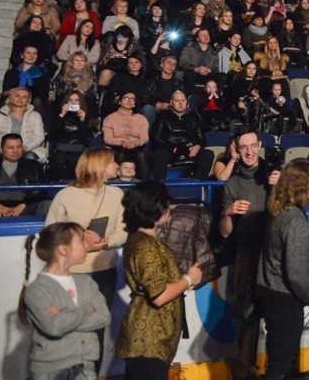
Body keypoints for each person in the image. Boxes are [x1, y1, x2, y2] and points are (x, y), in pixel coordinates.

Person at [45, 149, 127, 369]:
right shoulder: (65, 195)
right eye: (112, 162)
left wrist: (106, 241)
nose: (116, 166)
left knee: (95, 333)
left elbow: (124, 230)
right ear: (98, 166)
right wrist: (81, 243)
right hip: (70, 273)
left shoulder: (117, 194)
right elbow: (51, 232)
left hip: (104, 272)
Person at [116, 181, 203, 379]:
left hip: (153, 339)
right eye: (165, 204)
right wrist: (189, 279)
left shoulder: (142, 239)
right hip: (148, 340)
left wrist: (180, 283)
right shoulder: (145, 246)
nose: (169, 208)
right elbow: (159, 295)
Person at [257, 159, 309, 379]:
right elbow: (297, 276)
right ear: (303, 185)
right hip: (284, 302)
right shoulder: (295, 221)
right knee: (280, 368)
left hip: (272, 296)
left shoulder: (281, 209)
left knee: (279, 362)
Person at [219, 130, 281, 380]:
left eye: (252, 145)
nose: (249, 151)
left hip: (275, 255)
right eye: (243, 147)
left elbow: (292, 210)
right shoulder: (232, 184)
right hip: (246, 257)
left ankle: (277, 372)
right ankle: (244, 373)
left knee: (279, 317)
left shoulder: (274, 174)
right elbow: (224, 233)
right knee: (248, 318)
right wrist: (229, 213)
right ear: (236, 150)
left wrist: (279, 187)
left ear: (259, 145)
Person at [19, 222, 111, 380]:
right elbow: (54, 326)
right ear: (63, 250)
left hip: (85, 370)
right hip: (51, 373)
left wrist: (64, 317)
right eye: (82, 240)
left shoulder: (86, 283)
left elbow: (104, 317)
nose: (87, 244)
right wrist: (87, 309)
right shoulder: (38, 289)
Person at [150, 91, 216, 180]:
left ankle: (196, 184)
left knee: (208, 154)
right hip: (170, 150)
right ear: (171, 102)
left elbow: (201, 138)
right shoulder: (162, 116)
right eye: (177, 101)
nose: (180, 103)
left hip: (190, 149)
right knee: (159, 154)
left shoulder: (194, 116)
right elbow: (156, 138)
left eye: (183, 100)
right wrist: (173, 149)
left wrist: (197, 146)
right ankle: (160, 185)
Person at [0, 134, 50, 218]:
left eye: (19, 147)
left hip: (25, 209)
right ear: (2, 150)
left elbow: (42, 191)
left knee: (48, 205)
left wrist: (22, 206)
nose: (15, 151)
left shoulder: (34, 166)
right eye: (11, 148)